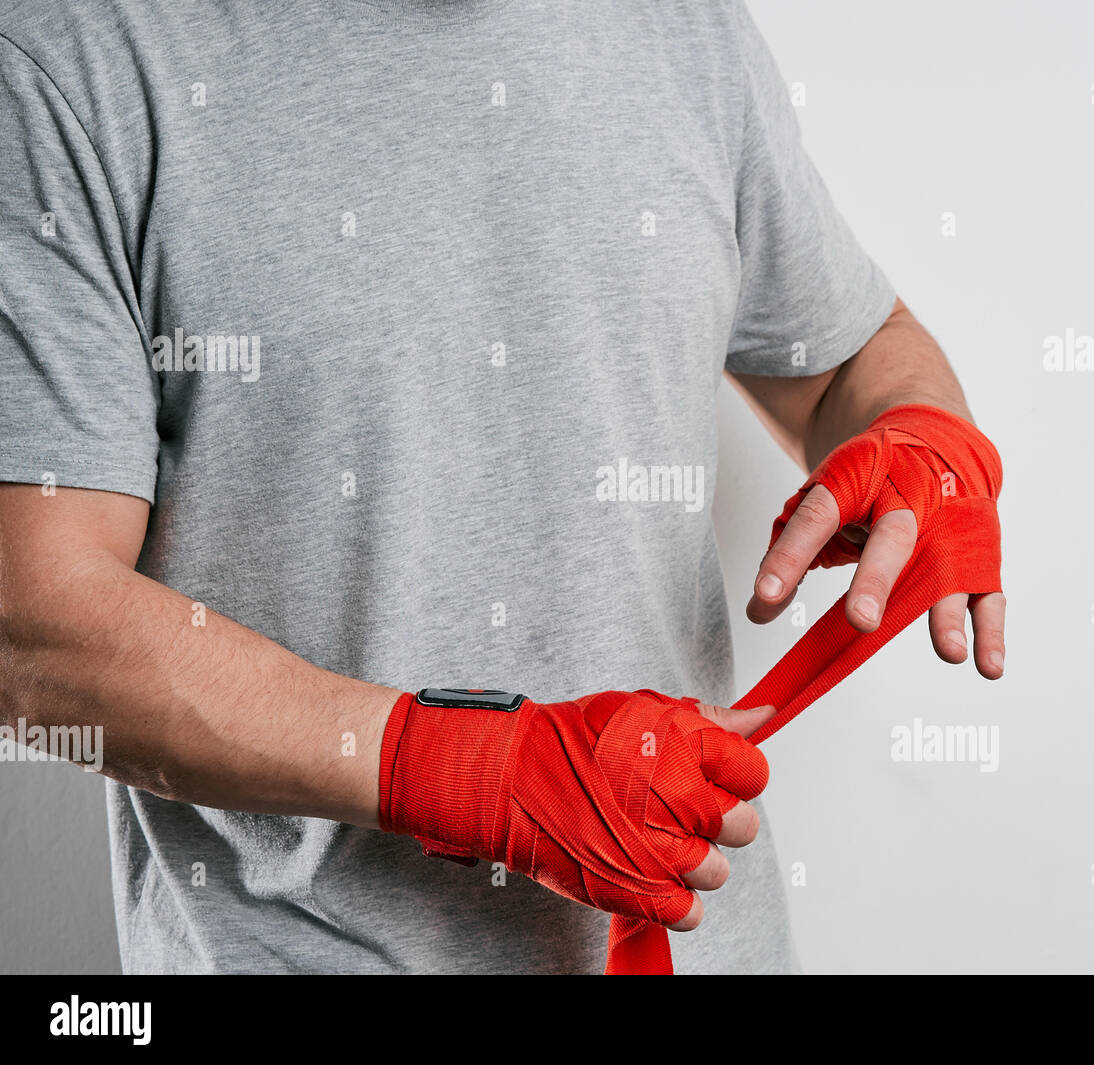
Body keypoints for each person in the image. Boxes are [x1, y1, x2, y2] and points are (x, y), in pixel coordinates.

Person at [0, 0, 1005, 975]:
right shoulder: (70, 53)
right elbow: (32, 622)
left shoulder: (686, 24)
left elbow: (841, 358)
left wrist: (928, 439)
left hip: (704, 944)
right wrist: (468, 766)